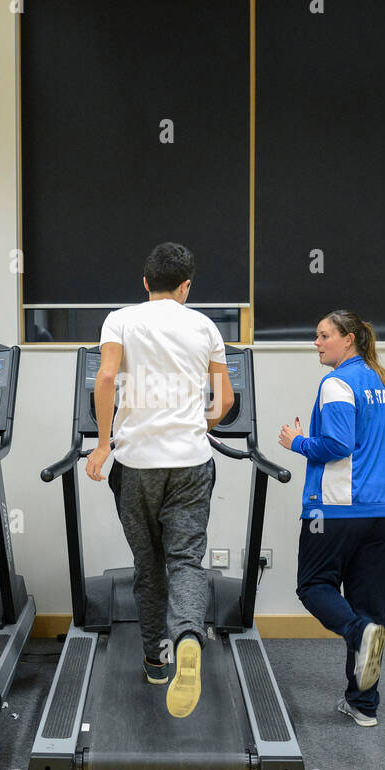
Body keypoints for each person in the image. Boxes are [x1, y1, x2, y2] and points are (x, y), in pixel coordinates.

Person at [85, 242, 234, 719]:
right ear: (186, 286)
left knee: (148, 566)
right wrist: (197, 425)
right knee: (187, 559)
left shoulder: (120, 319)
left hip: (136, 464)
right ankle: (189, 636)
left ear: (145, 282)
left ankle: (156, 659)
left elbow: (106, 378)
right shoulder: (206, 327)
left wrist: (105, 442)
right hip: (191, 462)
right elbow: (225, 400)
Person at [278, 310, 385, 727]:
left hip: (333, 509)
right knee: (371, 605)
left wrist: (296, 441)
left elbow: (335, 445)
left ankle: (356, 633)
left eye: (323, 336)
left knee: (313, 585)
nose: (316, 343)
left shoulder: (336, 383)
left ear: (348, 339)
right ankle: (364, 706)